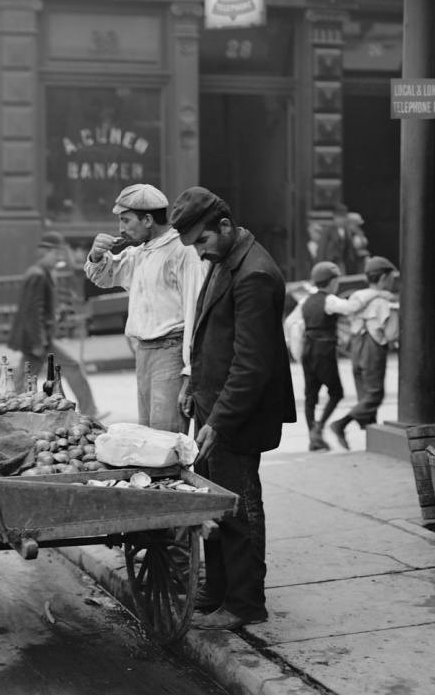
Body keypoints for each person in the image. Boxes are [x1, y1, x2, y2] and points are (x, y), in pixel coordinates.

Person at [172, 187, 296, 631]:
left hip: (237, 416)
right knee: (212, 501)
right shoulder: (225, 258)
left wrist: (220, 421)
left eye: (202, 241)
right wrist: (194, 385)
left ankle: (245, 604)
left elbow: (251, 365)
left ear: (224, 226)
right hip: (213, 406)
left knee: (239, 508)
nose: (200, 252)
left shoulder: (255, 273)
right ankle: (217, 590)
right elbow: (211, 335)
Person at [85, 183, 206, 434]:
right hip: (144, 353)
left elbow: (197, 315)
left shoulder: (184, 252)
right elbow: (104, 276)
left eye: (126, 220)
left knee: (166, 438)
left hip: (171, 352)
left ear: (148, 220)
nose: (121, 228)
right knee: (149, 437)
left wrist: (190, 370)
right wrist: (96, 255)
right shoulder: (140, 252)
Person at [298, 261, 393, 452]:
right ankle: (322, 426)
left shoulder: (305, 301)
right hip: (323, 349)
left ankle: (313, 436)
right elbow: (351, 307)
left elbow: (293, 324)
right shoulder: (330, 300)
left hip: (307, 349)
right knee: (336, 392)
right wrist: (378, 293)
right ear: (333, 282)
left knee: (310, 395)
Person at [8, 231, 101, 418]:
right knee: (71, 366)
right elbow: (32, 313)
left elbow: (39, 309)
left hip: (37, 337)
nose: (60, 258)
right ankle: (90, 412)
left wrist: (56, 315)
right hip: (38, 338)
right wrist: (38, 342)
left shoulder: (43, 273)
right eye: (56, 253)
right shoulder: (37, 275)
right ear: (43, 252)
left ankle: (9, 411)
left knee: (24, 377)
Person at [328, 256, 400, 449]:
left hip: (356, 347)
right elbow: (392, 334)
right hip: (372, 348)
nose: (392, 281)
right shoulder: (384, 302)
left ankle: (371, 439)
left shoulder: (356, 297)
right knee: (375, 395)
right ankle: (341, 424)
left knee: (364, 396)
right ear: (384, 278)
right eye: (391, 277)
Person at [314, 203, 367, 275]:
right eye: (338, 217)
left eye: (342, 217)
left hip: (345, 264)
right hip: (331, 261)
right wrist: (321, 266)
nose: (340, 220)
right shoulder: (328, 231)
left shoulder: (348, 231)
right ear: (334, 218)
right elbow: (322, 249)